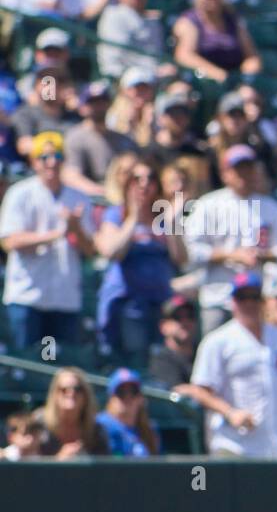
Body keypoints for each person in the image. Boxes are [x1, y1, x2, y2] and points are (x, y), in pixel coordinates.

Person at [190, 272, 277, 458]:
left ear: (263, 301)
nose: (249, 304)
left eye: (254, 297)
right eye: (242, 298)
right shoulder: (218, 340)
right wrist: (230, 413)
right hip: (234, 445)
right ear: (232, 302)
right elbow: (200, 390)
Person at [184, 144, 277, 334]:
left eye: (248, 168)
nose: (243, 174)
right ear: (225, 173)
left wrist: (262, 255)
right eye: (237, 169)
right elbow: (192, 251)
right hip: (218, 294)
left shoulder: (271, 208)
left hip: (257, 298)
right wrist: (231, 255)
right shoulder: (208, 204)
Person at [0, 131, 92, 349]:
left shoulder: (78, 198)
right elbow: (10, 241)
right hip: (27, 295)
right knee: (26, 365)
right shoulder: (19, 193)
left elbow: (90, 249)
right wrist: (58, 234)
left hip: (64, 298)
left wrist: (76, 229)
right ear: (34, 161)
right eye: (44, 157)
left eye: (57, 157)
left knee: (60, 365)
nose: (52, 163)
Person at [94, 161, 187, 365]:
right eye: (137, 179)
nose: (144, 185)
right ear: (127, 184)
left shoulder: (162, 219)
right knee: (137, 360)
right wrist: (134, 217)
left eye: (151, 178)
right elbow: (112, 252)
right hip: (129, 305)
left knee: (159, 361)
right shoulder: (116, 215)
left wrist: (172, 221)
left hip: (161, 304)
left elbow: (181, 258)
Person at [171, 0, 262, 84]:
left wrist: (247, 72)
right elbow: (184, 56)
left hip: (233, 82)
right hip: (201, 84)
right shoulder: (188, 22)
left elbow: (252, 56)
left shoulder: (233, 21)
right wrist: (218, 74)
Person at [61, 80, 137, 198]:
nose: (98, 106)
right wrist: (103, 192)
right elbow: (71, 176)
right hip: (92, 200)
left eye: (102, 101)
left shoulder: (123, 139)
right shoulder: (75, 137)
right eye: (92, 102)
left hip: (122, 199)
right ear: (82, 106)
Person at [97, 0, 168, 79]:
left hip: (153, 79)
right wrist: (155, 72)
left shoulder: (153, 20)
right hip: (121, 79)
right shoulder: (114, 15)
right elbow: (119, 59)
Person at [41, 367, 109, 458]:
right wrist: (58, 460)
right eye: (64, 389)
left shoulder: (97, 430)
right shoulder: (40, 425)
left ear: (85, 396)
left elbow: (104, 468)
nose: (71, 393)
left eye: (77, 389)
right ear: (55, 395)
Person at [96, 367, 159, 457]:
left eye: (133, 392)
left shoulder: (149, 429)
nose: (127, 397)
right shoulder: (99, 426)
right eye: (121, 392)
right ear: (111, 398)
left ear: (140, 398)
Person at [147, 294, 200, 394]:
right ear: (163, 327)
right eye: (177, 318)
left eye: (190, 316)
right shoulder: (161, 358)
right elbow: (176, 393)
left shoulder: (203, 352)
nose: (185, 322)